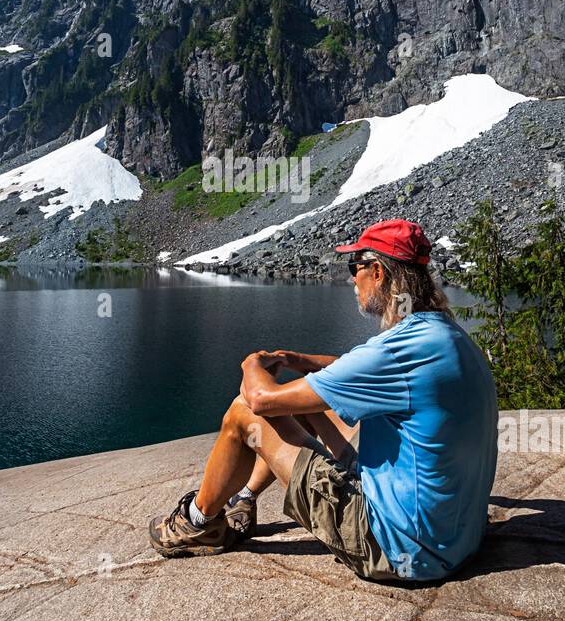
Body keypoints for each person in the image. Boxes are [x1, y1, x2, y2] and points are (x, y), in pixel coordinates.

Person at [149, 219, 498, 584]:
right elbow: (356, 370)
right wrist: (300, 361)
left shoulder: (398, 350)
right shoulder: (445, 335)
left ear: (377, 272)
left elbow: (262, 399)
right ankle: (245, 498)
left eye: (355, 268)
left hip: (397, 548)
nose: (352, 280)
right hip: (457, 540)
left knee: (244, 412)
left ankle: (198, 523)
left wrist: (250, 364)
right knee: (306, 398)